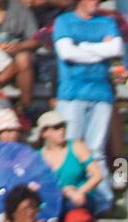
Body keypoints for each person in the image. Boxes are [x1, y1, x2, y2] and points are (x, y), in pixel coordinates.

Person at [52, 0, 123, 170]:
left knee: (96, 151)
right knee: (71, 149)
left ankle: (102, 194)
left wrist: (83, 46)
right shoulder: (63, 21)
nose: (97, 2)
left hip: (102, 94)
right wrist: (101, 48)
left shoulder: (107, 21)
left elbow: (116, 49)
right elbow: (67, 53)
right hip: (72, 94)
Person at [37, 109, 112, 217]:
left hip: (80, 200)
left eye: (63, 126)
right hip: (54, 201)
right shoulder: (38, 157)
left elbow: (97, 175)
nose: (62, 130)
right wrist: (64, 192)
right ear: (44, 133)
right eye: (56, 127)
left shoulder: (76, 147)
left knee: (74, 204)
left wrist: (79, 191)